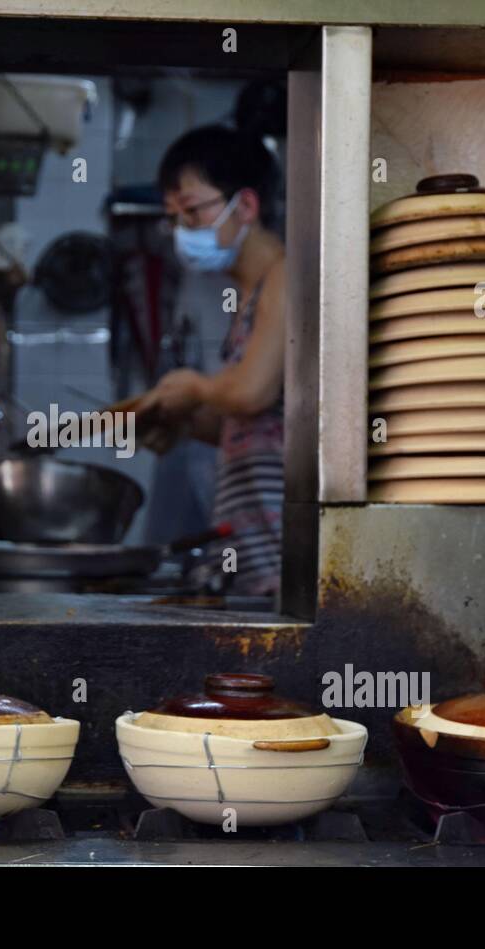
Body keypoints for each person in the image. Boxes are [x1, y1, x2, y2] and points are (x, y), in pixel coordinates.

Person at [132, 125, 287, 597]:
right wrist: (184, 423)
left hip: (285, 556)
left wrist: (194, 387)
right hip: (255, 559)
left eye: (193, 210)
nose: (182, 230)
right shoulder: (247, 296)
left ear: (246, 205)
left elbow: (250, 392)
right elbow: (254, 421)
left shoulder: (287, 276)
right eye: (173, 217)